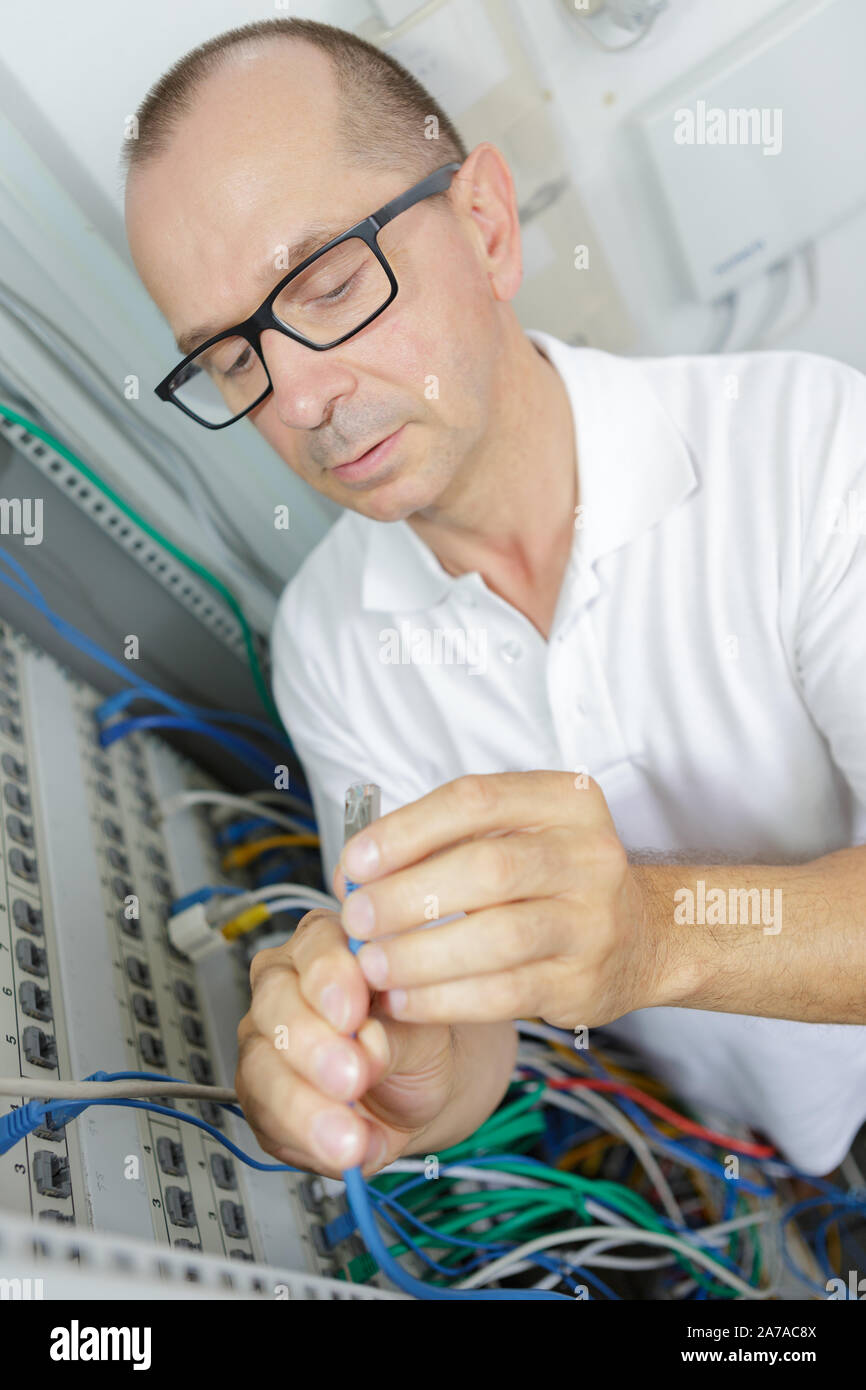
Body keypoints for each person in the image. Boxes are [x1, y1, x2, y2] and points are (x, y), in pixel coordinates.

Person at [124, 17, 866, 1182]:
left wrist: (655, 934)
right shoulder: (329, 644)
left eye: (324, 282)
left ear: (484, 225)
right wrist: (398, 1068)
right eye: (229, 358)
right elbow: (467, 1029)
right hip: (744, 1165)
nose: (301, 398)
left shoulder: (809, 447)